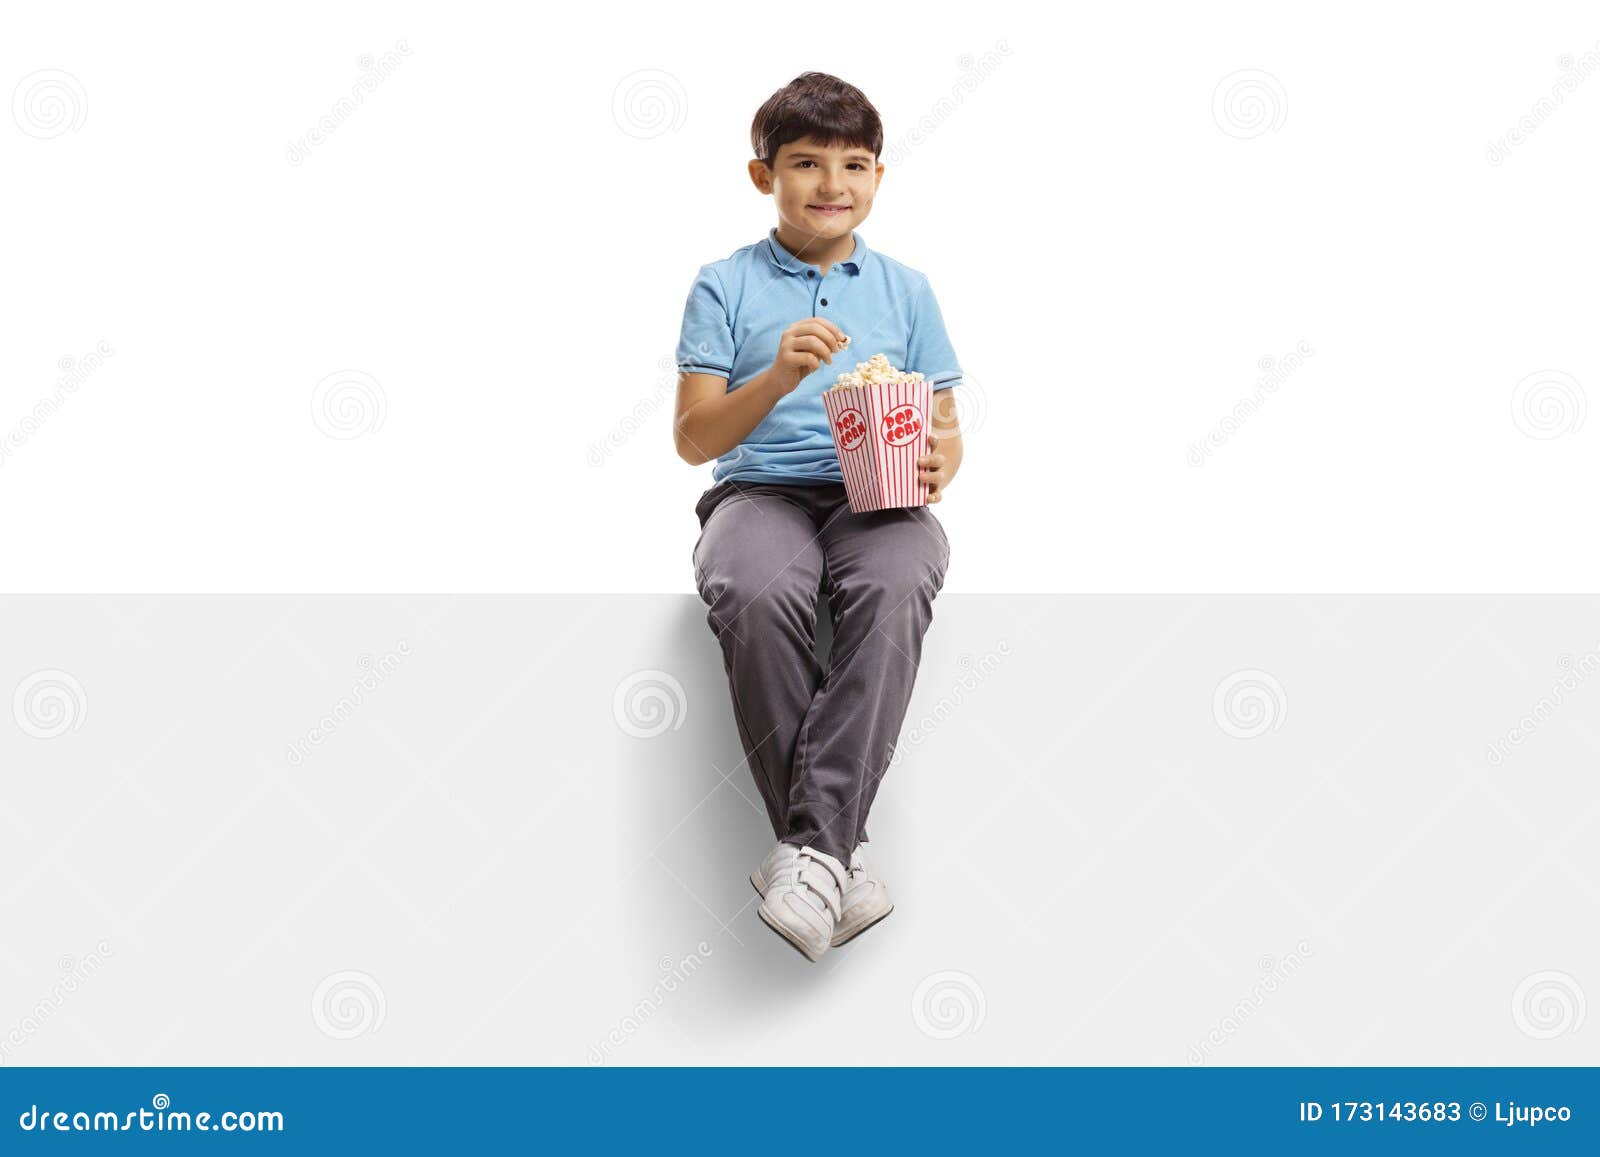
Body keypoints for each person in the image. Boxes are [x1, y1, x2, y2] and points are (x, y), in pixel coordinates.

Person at [673, 71, 966, 962]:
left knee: (899, 578)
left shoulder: (908, 290)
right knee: (750, 588)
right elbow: (694, 437)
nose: (832, 183)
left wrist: (937, 462)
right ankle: (840, 852)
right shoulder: (723, 285)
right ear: (764, 176)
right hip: (759, 492)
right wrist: (777, 377)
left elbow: (946, 427)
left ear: (879, 176)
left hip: (878, 497)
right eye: (805, 163)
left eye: (855, 163)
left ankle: (806, 854)